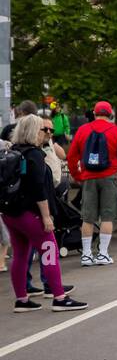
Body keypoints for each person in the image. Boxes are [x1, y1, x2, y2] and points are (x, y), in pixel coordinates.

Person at [0, 115, 87, 311]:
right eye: (44, 130)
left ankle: (22, 299)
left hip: (11, 213)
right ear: (33, 131)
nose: (48, 133)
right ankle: (59, 297)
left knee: (21, 255)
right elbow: (39, 189)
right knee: (50, 252)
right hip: (32, 215)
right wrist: (47, 217)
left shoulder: (13, 151)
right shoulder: (35, 155)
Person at [67, 101, 117, 266]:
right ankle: (103, 253)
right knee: (107, 217)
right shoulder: (116, 131)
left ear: (94, 114)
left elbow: (72, 156)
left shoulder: (82, 130)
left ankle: (86, 255)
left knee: (87, 218)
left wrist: (77, 175)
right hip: (110, 176)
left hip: (88, 177)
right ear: (110, 115)